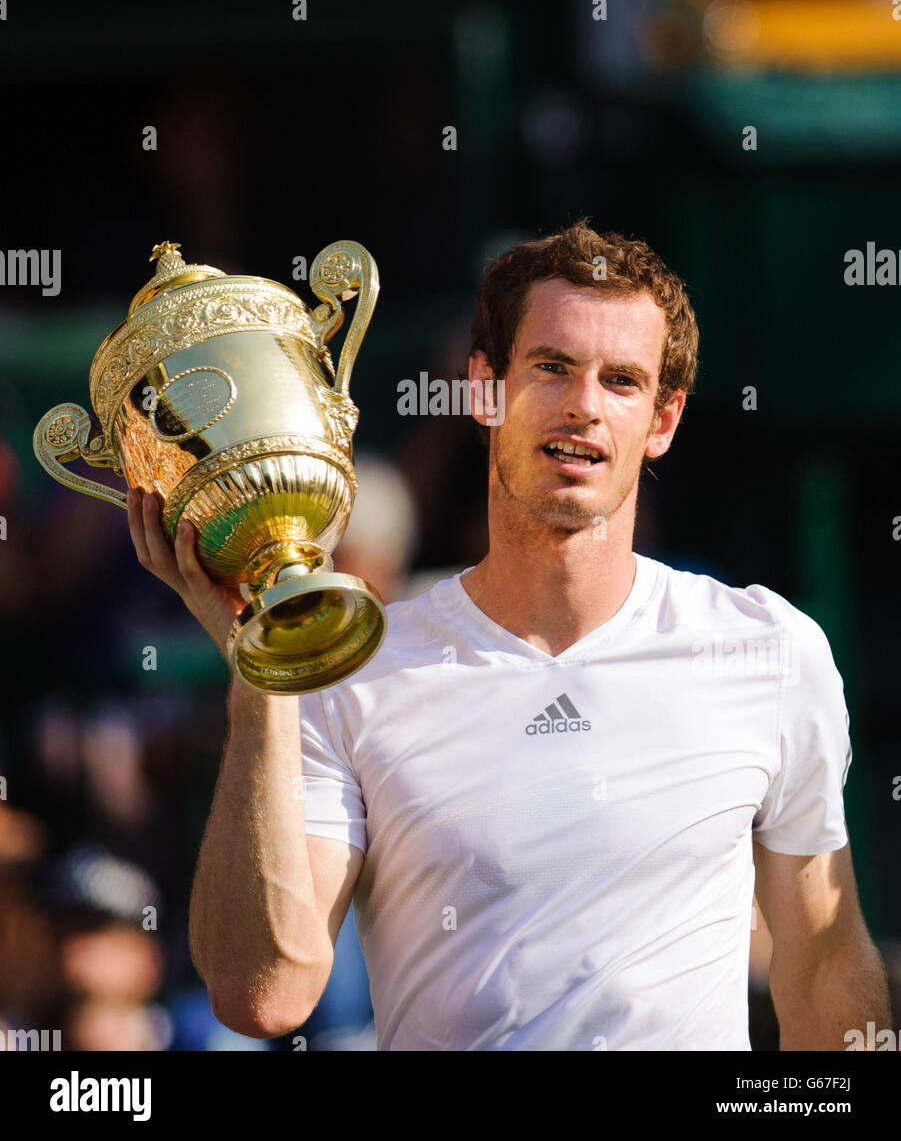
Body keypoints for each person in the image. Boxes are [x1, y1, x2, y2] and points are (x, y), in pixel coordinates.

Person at [126, 219, 891, 1051]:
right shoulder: (355, 673)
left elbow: (818, 957)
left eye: (623, 381)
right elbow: (264, 996)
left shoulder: (769, 648)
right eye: (552, 367)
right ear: (483, 390)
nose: (584, 406)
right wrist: (257, 665)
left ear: (664, 419)